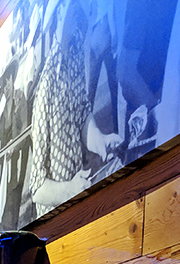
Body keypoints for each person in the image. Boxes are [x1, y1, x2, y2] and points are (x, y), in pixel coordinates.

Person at [30, 0, 120, 220]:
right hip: (54, 222)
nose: (79, 17)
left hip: (78, 208)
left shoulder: (76, 55)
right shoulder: (45, 89)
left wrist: (100, 141)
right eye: (72, 10)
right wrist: (68, 190)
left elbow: (81, 115)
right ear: (59, 13)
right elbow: (37, 189)